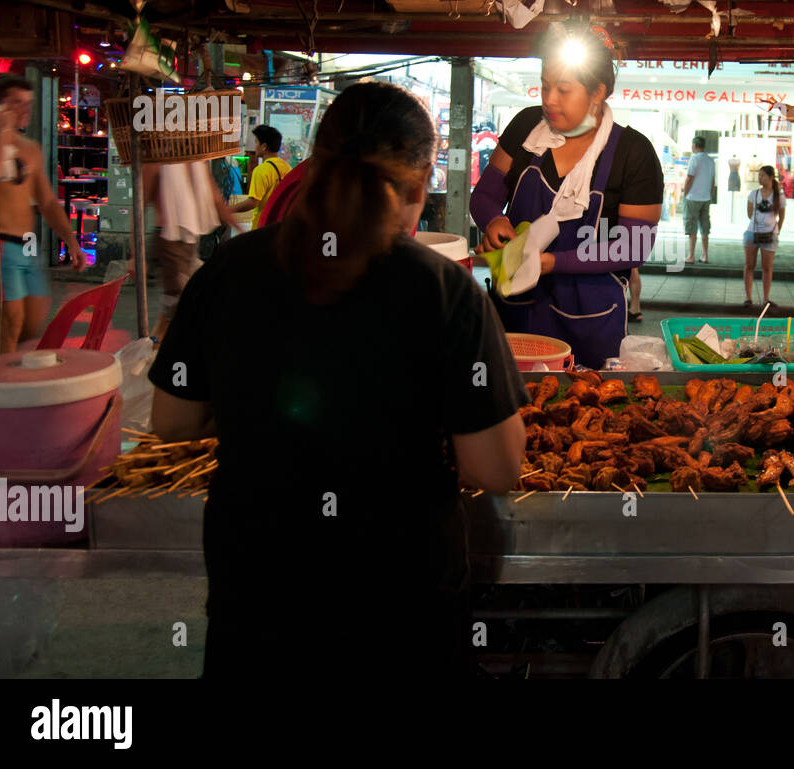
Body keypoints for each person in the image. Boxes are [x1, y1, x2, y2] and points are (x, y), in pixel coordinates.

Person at [149, 82, 526, 680]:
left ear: (314, 163)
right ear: (424, 175)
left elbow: (172, 420)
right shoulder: (444, 290)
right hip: (400, 600)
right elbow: (495, 468)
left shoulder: (229, 269)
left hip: (258, 589)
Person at [469, 24, 664, 370]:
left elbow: (633, 247)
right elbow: (483, 196)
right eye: (545, 86)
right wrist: (494, 220)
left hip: (591, 324)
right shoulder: (526, 127)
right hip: (514, 313)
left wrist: (552, 263)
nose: (549, 99)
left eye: (563, 89)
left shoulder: (634, 153)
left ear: (598, 92)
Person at [0, 73, 88, 352]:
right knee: (10, 322)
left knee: (34, 319)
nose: (25, 110)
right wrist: (2, 133)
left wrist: (71, 241)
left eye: (28, 104)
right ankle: (1, 383)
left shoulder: (30, 148)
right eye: (17, 103)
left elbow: (47, 201)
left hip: (28, 242)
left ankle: (5, 372)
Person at [141, 159, 239, 340]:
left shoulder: (199, 162)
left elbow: (216, 199)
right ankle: (162, 348)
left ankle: (159, 346)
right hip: (168, 240)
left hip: (191, 241)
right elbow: (140, 207)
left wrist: (241, 233)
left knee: (180, 305)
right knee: (177, 305)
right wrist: (134, 256)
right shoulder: (156, 163)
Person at [228, 125, 292, 228]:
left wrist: (228, 210)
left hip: (263, 226)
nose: (255, 147)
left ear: (264, 146)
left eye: (256, 142)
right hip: (280, 226)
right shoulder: (287, 167)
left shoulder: (261, 170)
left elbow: (253, 202)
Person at [742, 164, 785, 309]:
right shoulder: (753, 194)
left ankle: (766, 298)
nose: (759, 178)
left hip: (769, 234)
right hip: (752, 232)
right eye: (759, 175)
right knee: (749, 265)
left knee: (767, 267)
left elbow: (782, 215)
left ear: (771, 177)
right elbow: (749, 214)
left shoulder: (779, 195)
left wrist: (776, 230)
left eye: (762, 175)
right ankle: (748, 298)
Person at [681, 134, 714, 264]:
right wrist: (710, 195)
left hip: (693, 198)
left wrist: (685, 194)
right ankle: (705, 255)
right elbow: (712, 180)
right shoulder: (710, 161)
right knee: (705, 227)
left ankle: (691, 256)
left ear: (694, 146)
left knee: (692, 227)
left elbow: (690, 178)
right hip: (706, 198)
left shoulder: (694, 159)